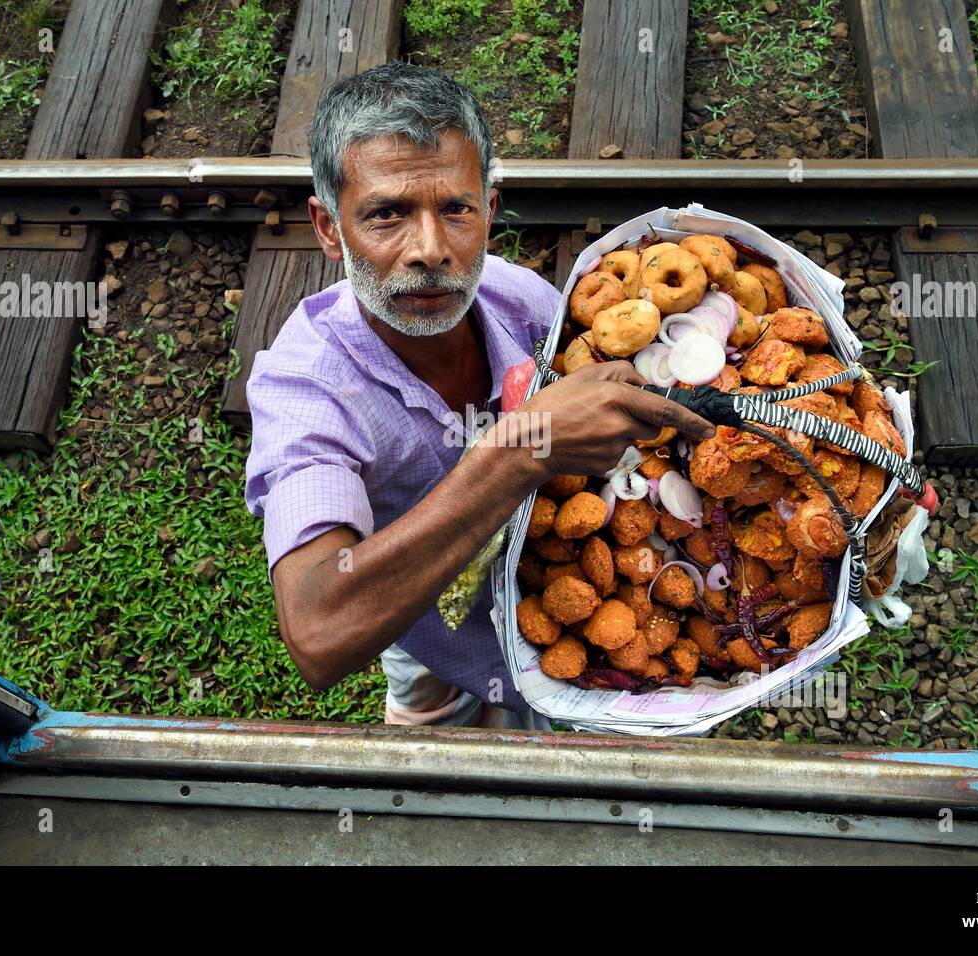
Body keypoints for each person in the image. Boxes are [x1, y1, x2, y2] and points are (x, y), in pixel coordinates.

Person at [244, 62, 713, 728]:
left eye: (456, 209)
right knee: (424, 691)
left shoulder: (521, 303)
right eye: (386, 215)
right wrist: (520, 452)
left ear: (489, 210)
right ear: (327, 228)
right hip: (419, 617)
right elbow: (319, 631)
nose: (431, 250)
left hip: (533, 601)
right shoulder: (306, 391)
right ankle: (424, 707)